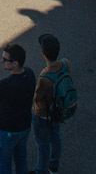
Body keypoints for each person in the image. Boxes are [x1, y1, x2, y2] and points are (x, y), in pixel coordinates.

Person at [0, 43, 38, 174]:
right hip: (24, 127)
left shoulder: (6, 84)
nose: (2, 61)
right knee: (21, 158)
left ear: (15, 63)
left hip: (6, 131)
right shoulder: (29, 73)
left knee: (4, 163)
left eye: (5, 59)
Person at [32, 34, 66, 174]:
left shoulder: (44, 77)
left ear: (43, 53)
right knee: (55, 137)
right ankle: (53, 165)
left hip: (43, 114)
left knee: (43, 143)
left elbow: (37, 98)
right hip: (57, 110)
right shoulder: (65, 64)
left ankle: (40, 170)